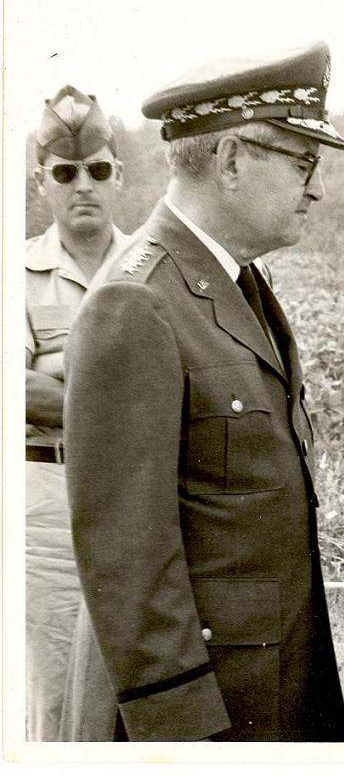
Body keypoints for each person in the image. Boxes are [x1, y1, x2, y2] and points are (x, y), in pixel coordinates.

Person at [63, 42, 344, 741]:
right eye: (302, 163)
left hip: (262, 685)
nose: (315, 188)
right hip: (194, 714)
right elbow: (126, 556)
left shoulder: (234, 283)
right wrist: (184, 734)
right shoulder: (136, 302)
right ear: (230, 161)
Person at [25, 86, 129, 741]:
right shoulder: (20, 273)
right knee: (58, 695)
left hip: (142, 496)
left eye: (97, 169)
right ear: (43, 184)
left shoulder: (154, 266)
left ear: (120, 175)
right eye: (65, 173)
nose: (82, 185)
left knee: (141, 688)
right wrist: (125, 400)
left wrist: (58, 379)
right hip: (48, 505)